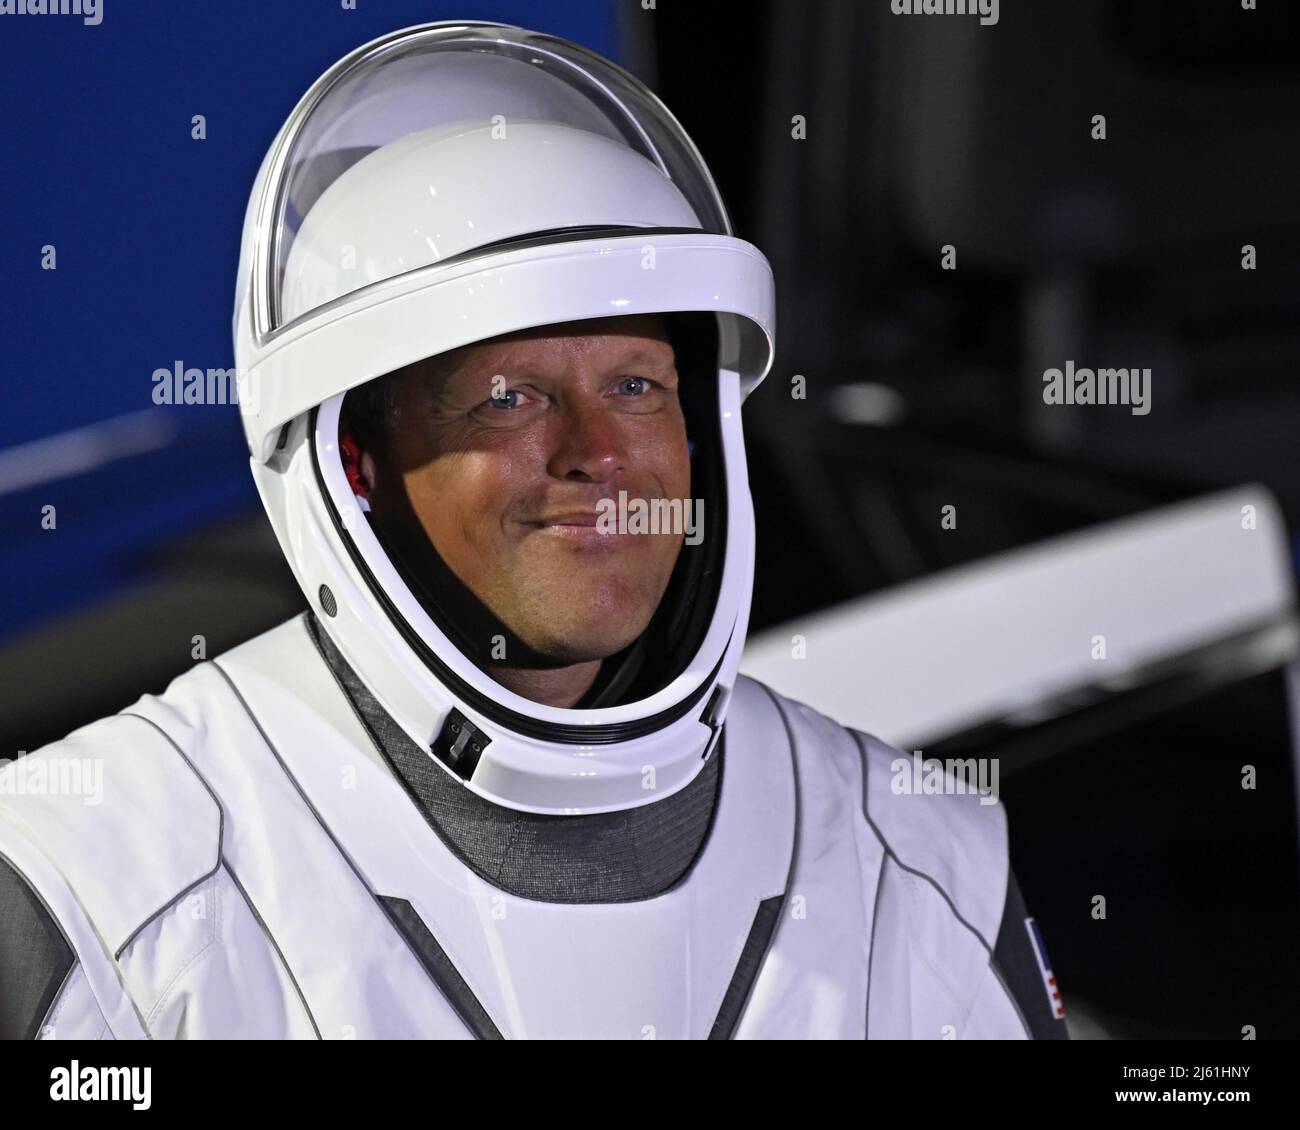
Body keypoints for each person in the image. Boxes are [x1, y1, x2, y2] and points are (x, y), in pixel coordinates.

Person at [0, 20, 1066, 1040]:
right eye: (508, 397)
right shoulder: (94, 885)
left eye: (639, 385)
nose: (594, 451)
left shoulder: (915, 866)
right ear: (352, 465)